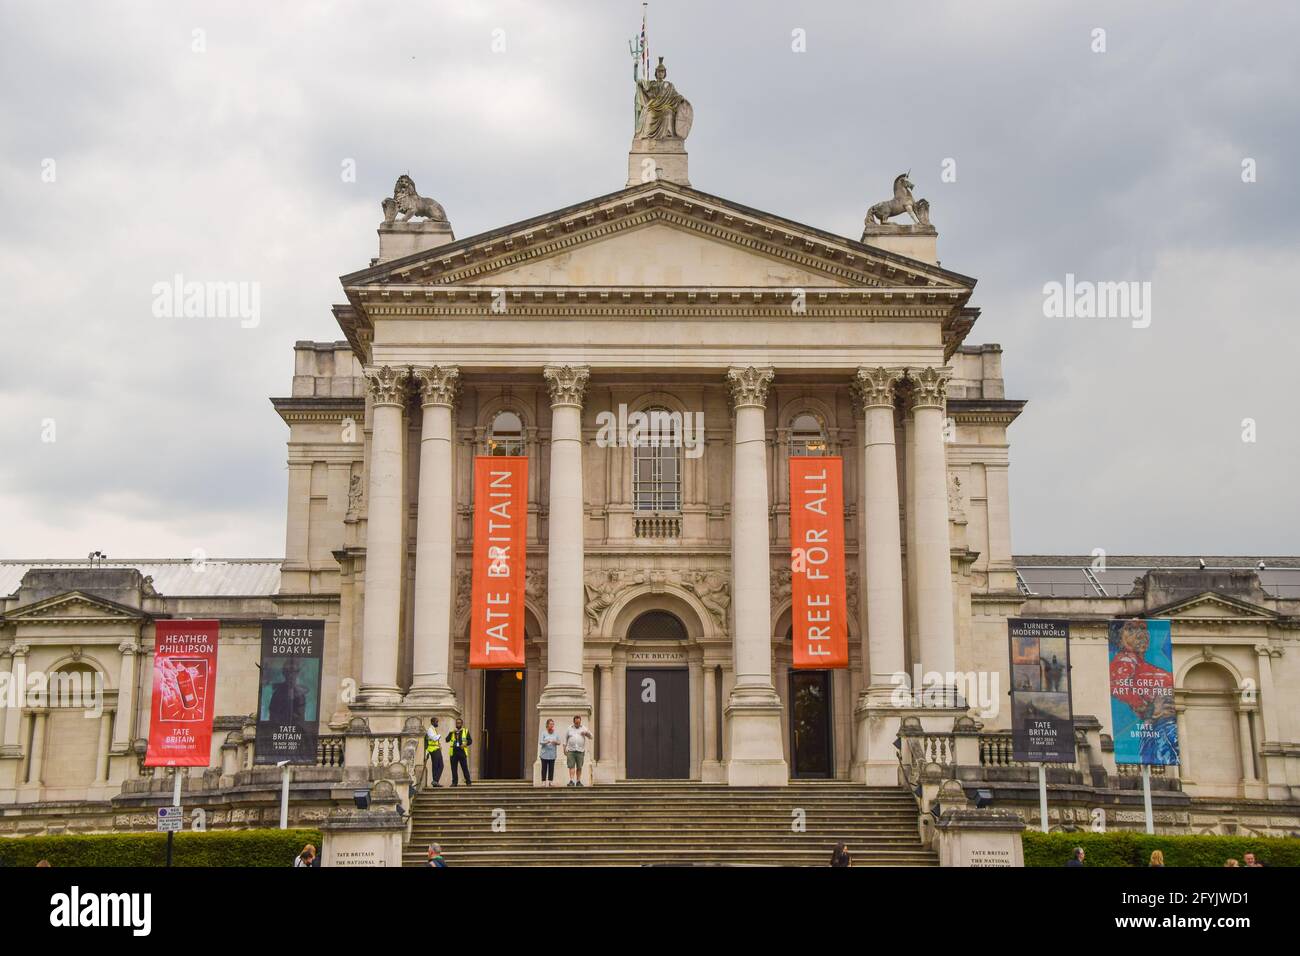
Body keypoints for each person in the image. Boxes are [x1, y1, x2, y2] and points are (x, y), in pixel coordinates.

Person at [563, 715, 593, 787]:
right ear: (574, 722)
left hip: (580, 750)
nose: (578, 724)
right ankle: (571, 781)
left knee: (579, 767)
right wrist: (564, 749)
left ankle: (578, 781)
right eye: (576, 723)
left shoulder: (583, 728)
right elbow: (565, 739)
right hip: (571, 750)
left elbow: (591, 736)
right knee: (571, 766)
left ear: (580, 721)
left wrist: (586, 733)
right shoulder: (569, 728)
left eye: (579, 722)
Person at [447, 718, 472, 787]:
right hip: (453, 752)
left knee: (464, 767)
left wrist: (465, 744)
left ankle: (468, 782)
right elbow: (447, 739)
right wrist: (451, 732)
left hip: (462, 752)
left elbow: (470, 741)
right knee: (454, 768)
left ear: (461, 724)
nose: (458, 724)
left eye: (459, 723)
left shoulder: (465, 731)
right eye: (457, 723)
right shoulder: (452, 731)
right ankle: (454, 782)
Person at [539, 718, 560, 787]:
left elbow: (559, 742)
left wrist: (555, 742)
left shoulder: (556, 733)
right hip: (544, 754)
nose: (552, 725)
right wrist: (546, 742)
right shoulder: (543, 733)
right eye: (550, 724)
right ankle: (543, 782)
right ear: (547, 725)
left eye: (552, 724)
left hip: (552, 754)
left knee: (551, 768)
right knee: (544, 768)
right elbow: (541, 742)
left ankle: (550, 782)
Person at [424, 717, 444, 787]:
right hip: (433, 750)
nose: (437, 723)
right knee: (436, 766)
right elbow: (434, 738)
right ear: (432, 722)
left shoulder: (433, 729)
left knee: (441, 765)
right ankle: (435, 781)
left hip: (437, 749)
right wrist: (440, 735)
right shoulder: (430, 729)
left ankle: (435, 781)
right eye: (436, 722)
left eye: (437, 722)